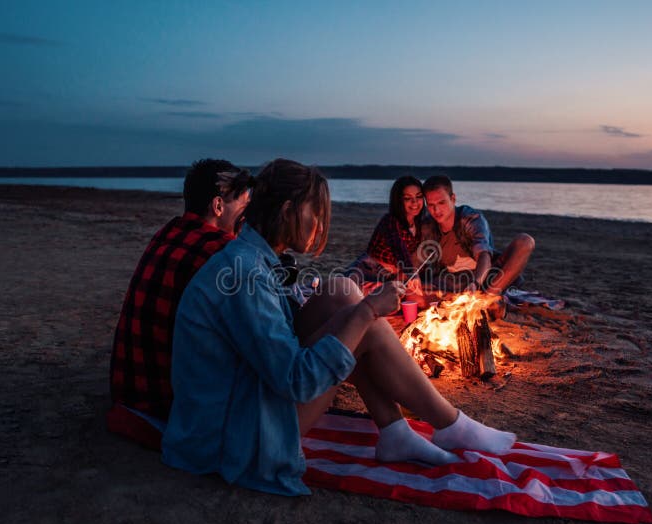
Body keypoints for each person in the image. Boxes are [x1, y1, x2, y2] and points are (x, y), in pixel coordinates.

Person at [161, 158, 517, 496]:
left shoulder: (250, 257)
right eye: (314, 212)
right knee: (366, 323)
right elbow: (297, 382)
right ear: (287, 211)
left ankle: (394, 429)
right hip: (233, 440)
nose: (318, 223)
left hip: (240, 400)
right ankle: (451, 425)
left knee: (341, 291)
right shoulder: (244, 271)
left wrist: (350, 310)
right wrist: (365, 314)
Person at [107, 159, 254, 450]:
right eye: (244, 206)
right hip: (170, 402)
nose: (247, 216)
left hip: (130, 390)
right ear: (218, 206)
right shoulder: (221, 251)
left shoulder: (168, 232)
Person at [421, 175, 535, 294]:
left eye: (441, 203)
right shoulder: (428, 226)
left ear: (453, 199)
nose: (436, 210)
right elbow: (419, 262)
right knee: (418, 291)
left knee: (525, 241)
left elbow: (483, 254)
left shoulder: (470, 218)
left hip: (485, 275)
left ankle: (487, 298)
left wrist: (476, 283)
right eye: (431, 205)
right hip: (451, 282)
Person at [346, 175, 427, 301]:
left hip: (392, 276)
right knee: (351, 298)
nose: (415, 202)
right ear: (399, 201)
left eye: (418, 196)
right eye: (407, 198)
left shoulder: (418, 224)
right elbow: (399, 248)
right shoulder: (390, 221)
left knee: (418, 300)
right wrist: (412, 274)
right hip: (368, 272)